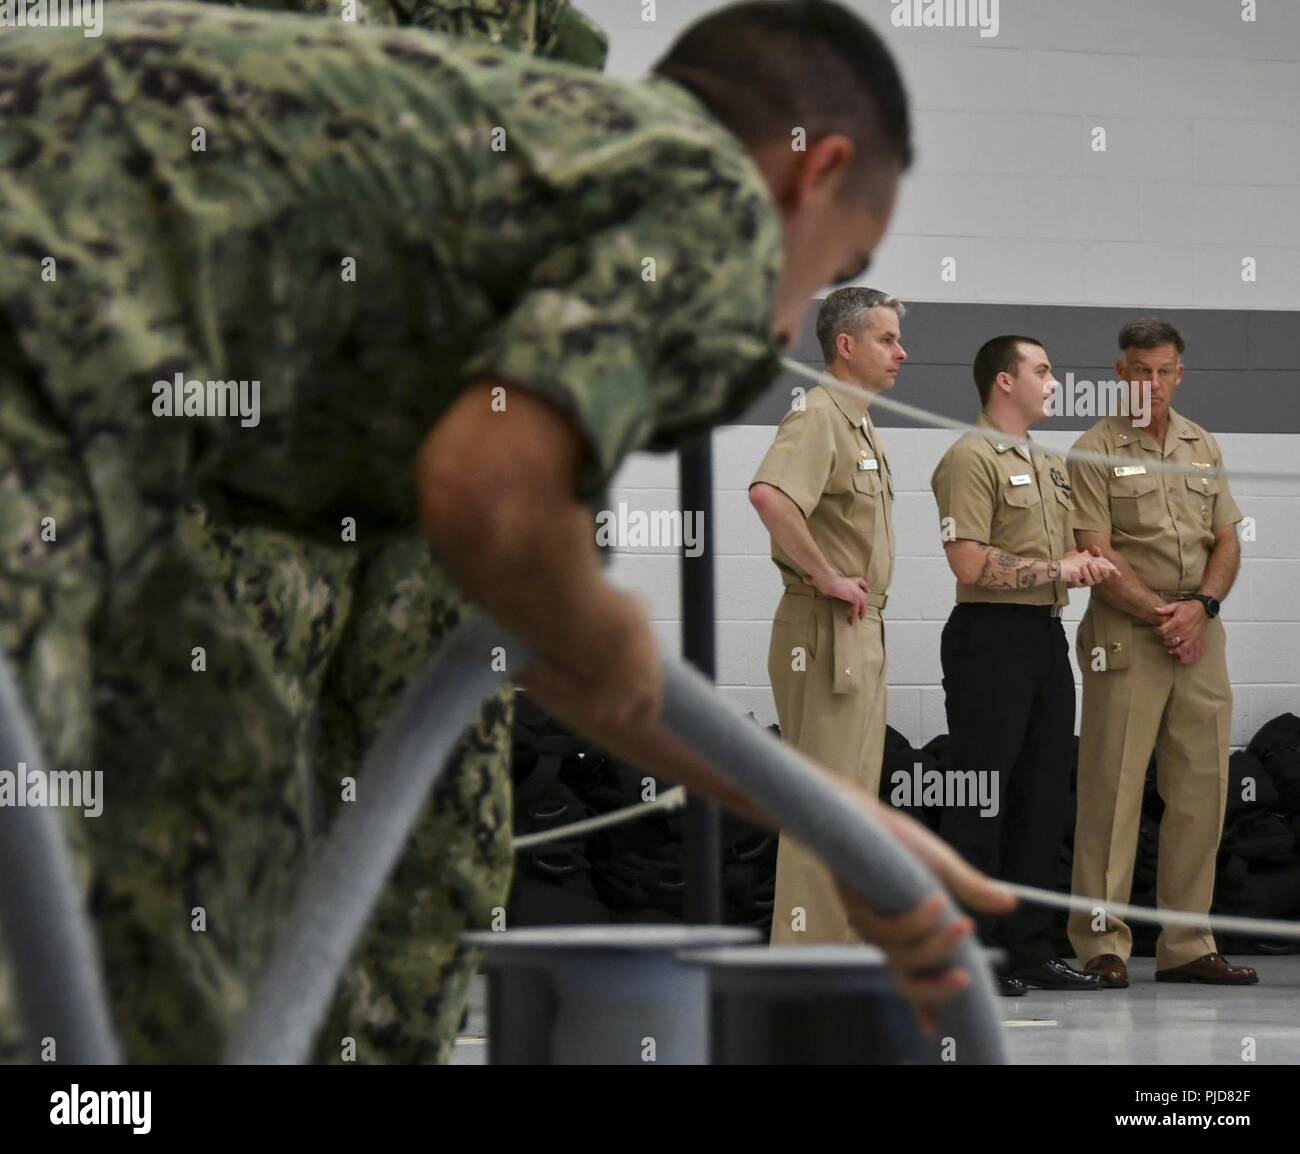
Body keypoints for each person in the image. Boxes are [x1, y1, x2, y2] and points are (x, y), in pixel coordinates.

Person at [0, 0, 1010, 1062]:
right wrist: (604, 626)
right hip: (47, 378)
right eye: (831, 263)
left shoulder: (509, 191)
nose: (780, 326)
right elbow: (495, 501)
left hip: (93, 395)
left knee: (192, 883)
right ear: (813, 173)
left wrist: (840, 828)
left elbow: (541, 629)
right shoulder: (704, 193)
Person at [1067, 318, 1256, 988]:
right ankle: (1101, 945)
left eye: (1165, 370)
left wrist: (1200, 609)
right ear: (1120, 374)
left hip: (1199, 635)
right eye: (1140, 370)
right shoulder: (1092, 448)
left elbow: (1227, 539)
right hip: (1127, 636)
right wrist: (1161, 614)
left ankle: (1186, 944)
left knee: (1202, 789)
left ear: (1180, 373)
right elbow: (1096, 549)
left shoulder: (1202, 444)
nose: (1153, 382)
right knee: (1111, 792)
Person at [931, 336, 1116, 995]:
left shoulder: (1049, 464)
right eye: (1042, 370)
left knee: (1042, 800)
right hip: (989, 639)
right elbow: (970, 563)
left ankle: (1026, 949)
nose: (1054, 380)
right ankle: (968, 953)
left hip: (1043, 637)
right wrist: (1058, 568)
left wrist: (1084, 565)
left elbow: (1063, 552)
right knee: (980, 798)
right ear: (1004, 382)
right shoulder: (969, 457)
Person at [749, 286, 905, 944]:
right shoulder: (818, 416)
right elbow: (769, 496)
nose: (902, 352)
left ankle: (837, 948)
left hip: (859, 630)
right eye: (887, 339)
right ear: (846, 346)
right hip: (823, 631)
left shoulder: (858, 420)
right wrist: (828, 577)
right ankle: (806, 956)